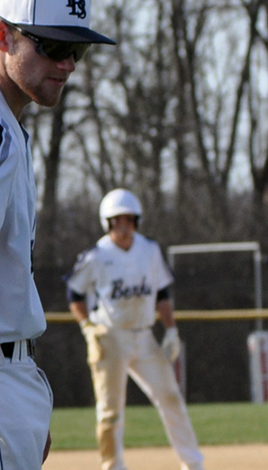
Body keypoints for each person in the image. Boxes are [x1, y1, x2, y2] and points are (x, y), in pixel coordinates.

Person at [0, 0, 117, 469]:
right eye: (51, 46)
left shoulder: (1, 123)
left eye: (76, 51)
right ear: (0, 35)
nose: (67, 64)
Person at [65, 188, 206, 470]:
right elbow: (74, 293)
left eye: (129, 219)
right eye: (118, 220)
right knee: (110, 411)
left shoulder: (149, 249)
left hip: (144, 336)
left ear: (137, 221)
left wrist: (171, 331)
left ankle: (193, 464)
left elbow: (163, 293)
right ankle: (113, 466)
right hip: (110, 336)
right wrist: (87, 327)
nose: (124, 225)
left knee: (171, 398)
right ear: (107, 223)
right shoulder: (97, 255)